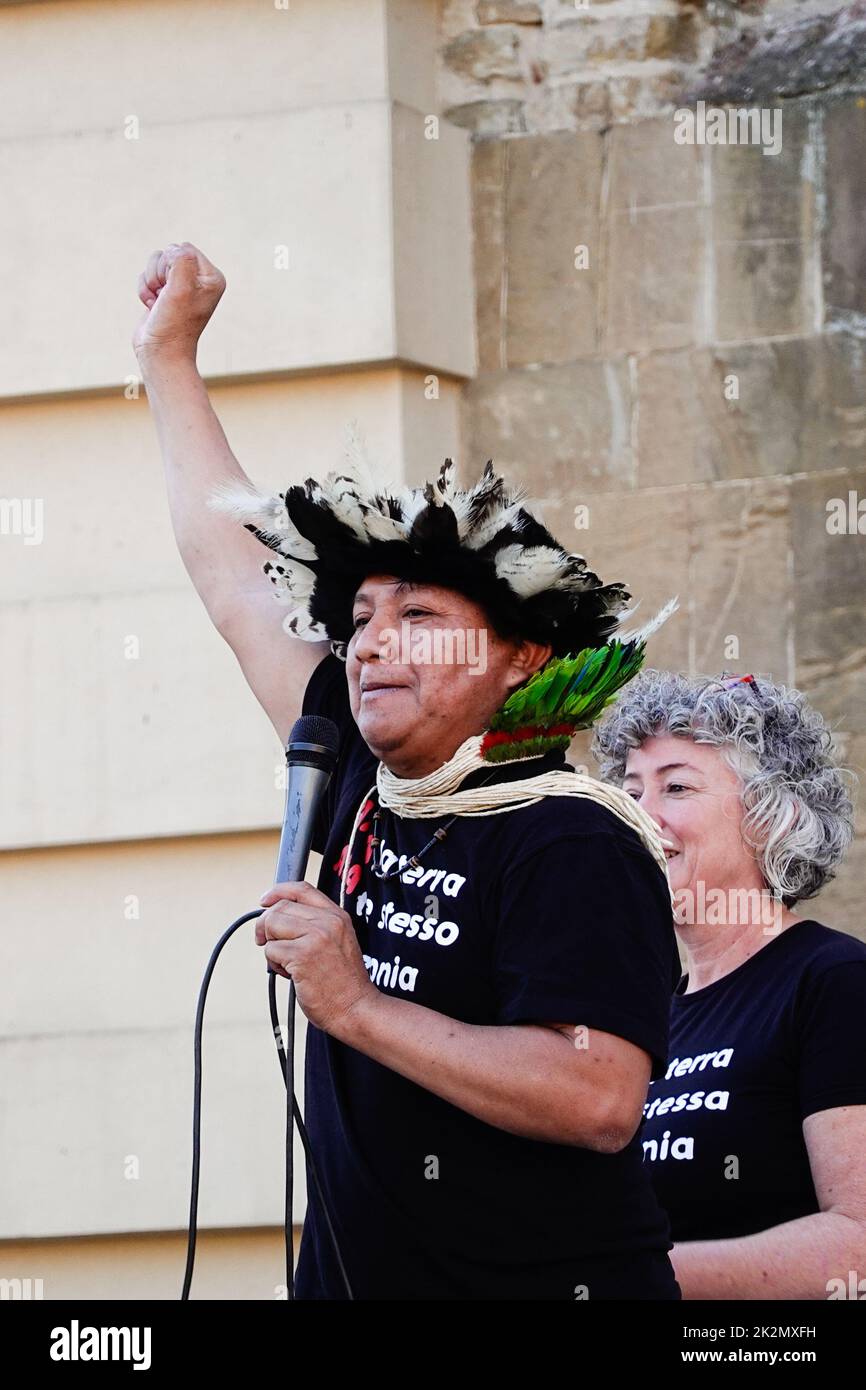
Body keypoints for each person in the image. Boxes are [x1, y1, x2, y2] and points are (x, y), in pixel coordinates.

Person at [135, 240, 682, 1300]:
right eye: (358, 619)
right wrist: (169, 361)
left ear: (520, 657)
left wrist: (356, 1006)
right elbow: (234, 581)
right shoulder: (352, 774)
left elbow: (595, 1092)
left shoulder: (569, 833)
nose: (372, 641)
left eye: (419, 615)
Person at [592, 670, 866, 1299]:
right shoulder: (648, 1014)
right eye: (630, 791)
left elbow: (857, 1244)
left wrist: (625, 1279)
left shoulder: (833, 981)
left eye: (677, 786)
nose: (639, 814)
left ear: (771, 817)